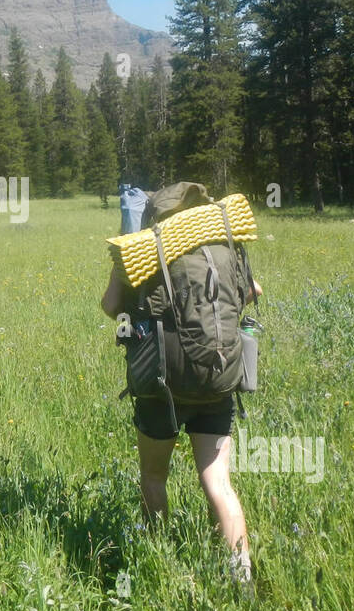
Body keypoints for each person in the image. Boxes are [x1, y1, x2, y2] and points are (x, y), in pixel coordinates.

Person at [101, 187, 262, 586]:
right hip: (220, 377)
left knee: (155, 477)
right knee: (219, 482)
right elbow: (252, 294)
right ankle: (241, 580)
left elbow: (110, 307)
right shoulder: (227, 241)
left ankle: (158, 561)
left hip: (162, 384)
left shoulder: (143, 249)